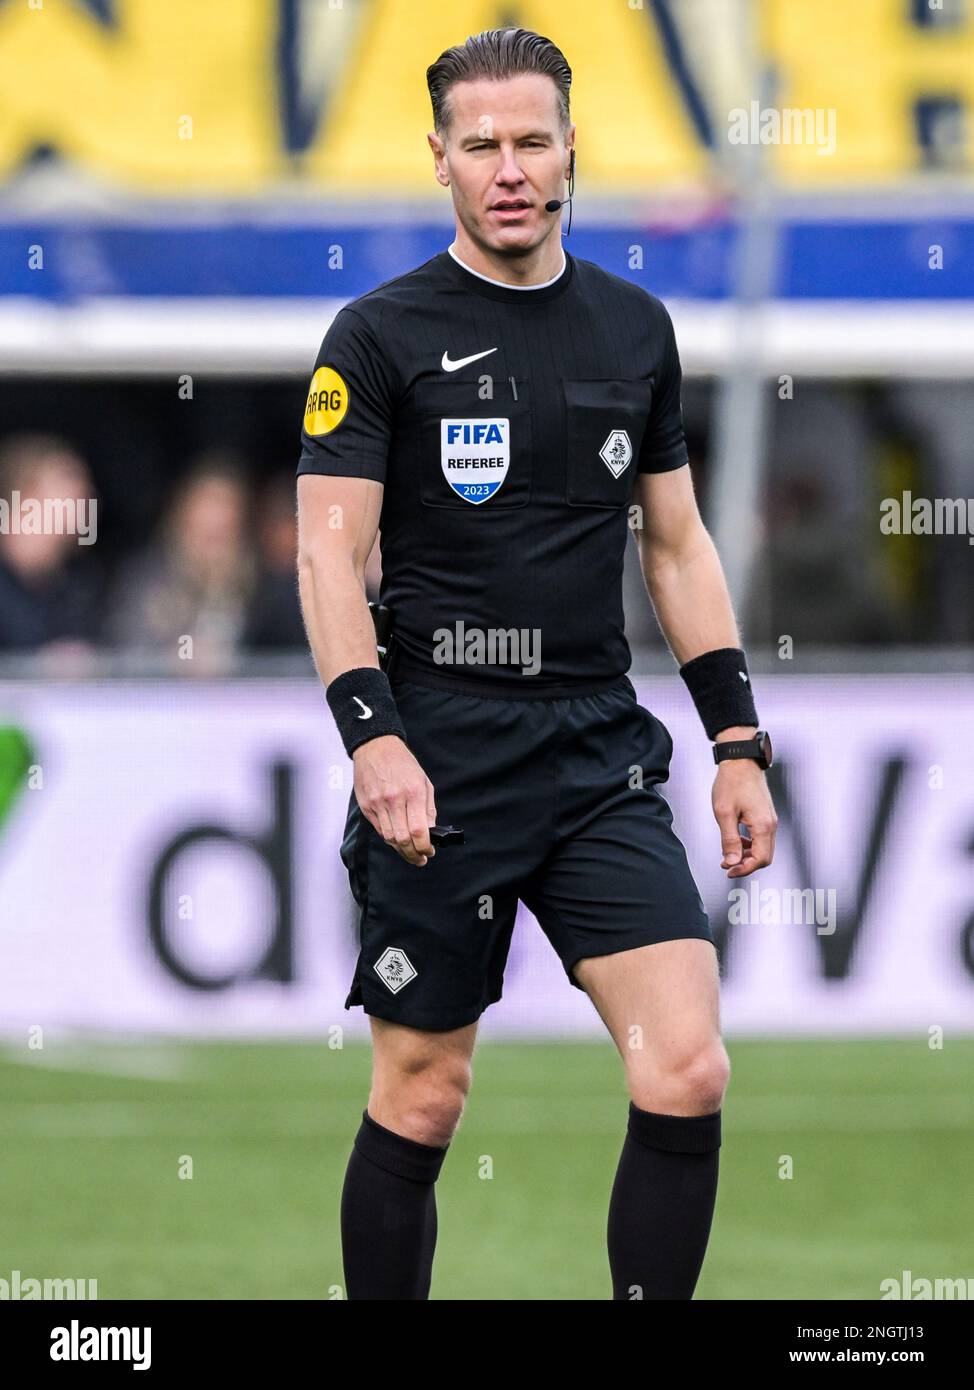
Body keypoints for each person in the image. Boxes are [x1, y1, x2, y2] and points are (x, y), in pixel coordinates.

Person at [296, 27, 777, 1301]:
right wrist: (374, 736)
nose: (508, 167)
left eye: (529, 140)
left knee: (685, 1064)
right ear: (439, 161)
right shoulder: (378, 334)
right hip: (440, 752)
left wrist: (734, 740)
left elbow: (673, 545)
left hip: (594, 749)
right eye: (479, 145)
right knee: (424, 1089)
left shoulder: (633, 328)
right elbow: (324, 558)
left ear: (571, 147)